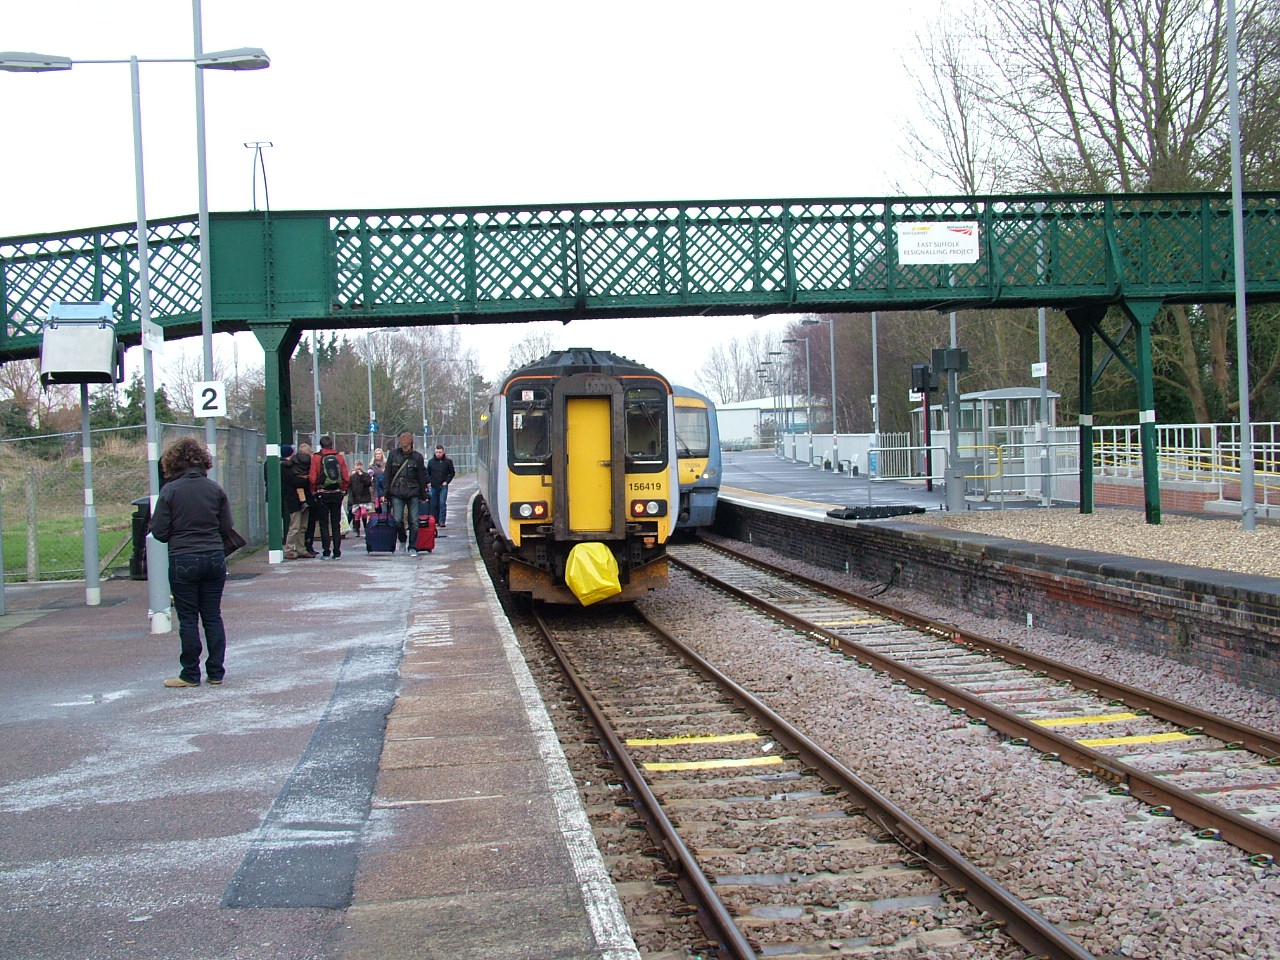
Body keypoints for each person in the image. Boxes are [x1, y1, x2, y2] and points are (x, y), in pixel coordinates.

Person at [150, 436, 233, 688]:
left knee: (188, 618)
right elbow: (226, 526)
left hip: (184, 558)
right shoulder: (215, 489)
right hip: (214, 557)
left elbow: (159, 532)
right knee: (212, 615)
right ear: (202, 460)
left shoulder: (170, 491)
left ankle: (190, 674)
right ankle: (216, 672)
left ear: (173, 462)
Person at [385, 432, 428, 556]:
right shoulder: (393, 455)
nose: (405, 449)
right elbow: (388, 475)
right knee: (397, 519)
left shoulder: (417, 457)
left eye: (407, 447)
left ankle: (413, 546)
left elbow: (421, 477)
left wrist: (424, 495)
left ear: (411, 445)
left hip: (413, 491)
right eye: (403, 447)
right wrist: (385, 494)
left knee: (414, 521)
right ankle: (402, 539)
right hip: (396, 492)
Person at [309, 435, 350, 559]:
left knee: (323, 523)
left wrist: (314, 490)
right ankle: (337, 552)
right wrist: (343, 490)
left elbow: (312, 477)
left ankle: (326, 551)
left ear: (321, 445)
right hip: (337, 493)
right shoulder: (339, 457)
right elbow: (346, 477)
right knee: (335, 523)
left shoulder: (316, 457)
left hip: (322, 493)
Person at [285, 443, 316, 560]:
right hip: (300, 499)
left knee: (297, 526)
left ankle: (296, 549)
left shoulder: (291, 464)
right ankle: (295, 549)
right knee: (298, 526)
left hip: (296, 499)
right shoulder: (310, 463)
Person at [426, 444, 456, 528]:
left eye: (440, 452)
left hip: (443, 485)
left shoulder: (448, 462)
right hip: (434, 485)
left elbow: (452, 473)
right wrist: (429, 482)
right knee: (434, 503)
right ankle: (434, 520)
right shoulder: (431, 462)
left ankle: (442, 520)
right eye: (437, 452)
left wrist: (447, 481)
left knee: (442, 502)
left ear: (443, 452)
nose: (438, 454)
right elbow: (427, 473)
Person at [347, 459, 375, 536]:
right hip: (356, 498)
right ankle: (357, 529)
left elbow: (368, 483)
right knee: (357, 514)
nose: (358, 467)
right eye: (357, 465)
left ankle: (366, 526)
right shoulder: (353, 476)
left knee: (363, 513)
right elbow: (350, 487)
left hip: (364, 497)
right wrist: (350, 496)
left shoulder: (365, 475)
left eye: (360, 465)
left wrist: (361, 475)